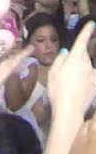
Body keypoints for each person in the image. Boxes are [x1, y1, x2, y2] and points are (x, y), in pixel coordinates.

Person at [4, 13, 61, 142]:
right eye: (41, 40)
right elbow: (16, 105)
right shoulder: (26, 69)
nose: (48, 46)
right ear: (28, 42)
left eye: (54, 39)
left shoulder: (67, 70)